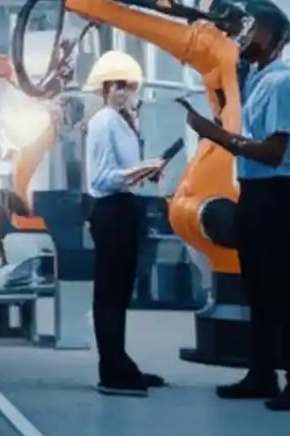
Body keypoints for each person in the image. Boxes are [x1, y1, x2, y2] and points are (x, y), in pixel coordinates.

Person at [179, 0, 290, 411]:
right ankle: (261, 375)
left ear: (275, 35)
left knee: (283, 292)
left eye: (253, 28)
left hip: (273, 193)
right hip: (255, 194)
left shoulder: (281, 83)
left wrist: (215, 134)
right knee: (257, 288)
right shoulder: (258, 79)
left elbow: (274, 151)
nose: (245, 35)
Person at [83, 50, 168, 397]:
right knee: (110, 295)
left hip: (124, 209)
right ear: (104, 88)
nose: (123, 91)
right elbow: (102, 179)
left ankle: (120, 363)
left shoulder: (123, 120)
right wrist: (138, 170)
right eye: (117, 85)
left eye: (128, 85)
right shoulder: (104, 121)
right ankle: (112, 372)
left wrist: (143, 171)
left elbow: (121, 174)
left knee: (119, 293)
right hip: (111, 210)